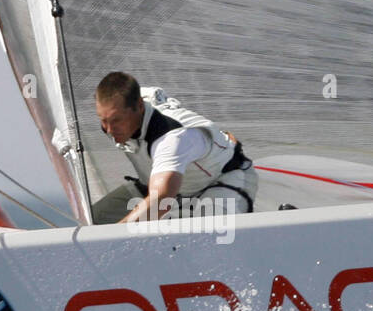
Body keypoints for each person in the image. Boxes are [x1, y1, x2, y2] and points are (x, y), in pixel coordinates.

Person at [90, 71, 258, 224]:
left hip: (221, 181)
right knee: (93, 223)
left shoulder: (171, 138)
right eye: (103, 120)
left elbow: (161, 200)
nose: (110, 130)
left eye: (116, 120)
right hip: (167, 189)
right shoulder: (120, 110)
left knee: (211, 238)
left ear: (139, 107)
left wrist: (117, 233)